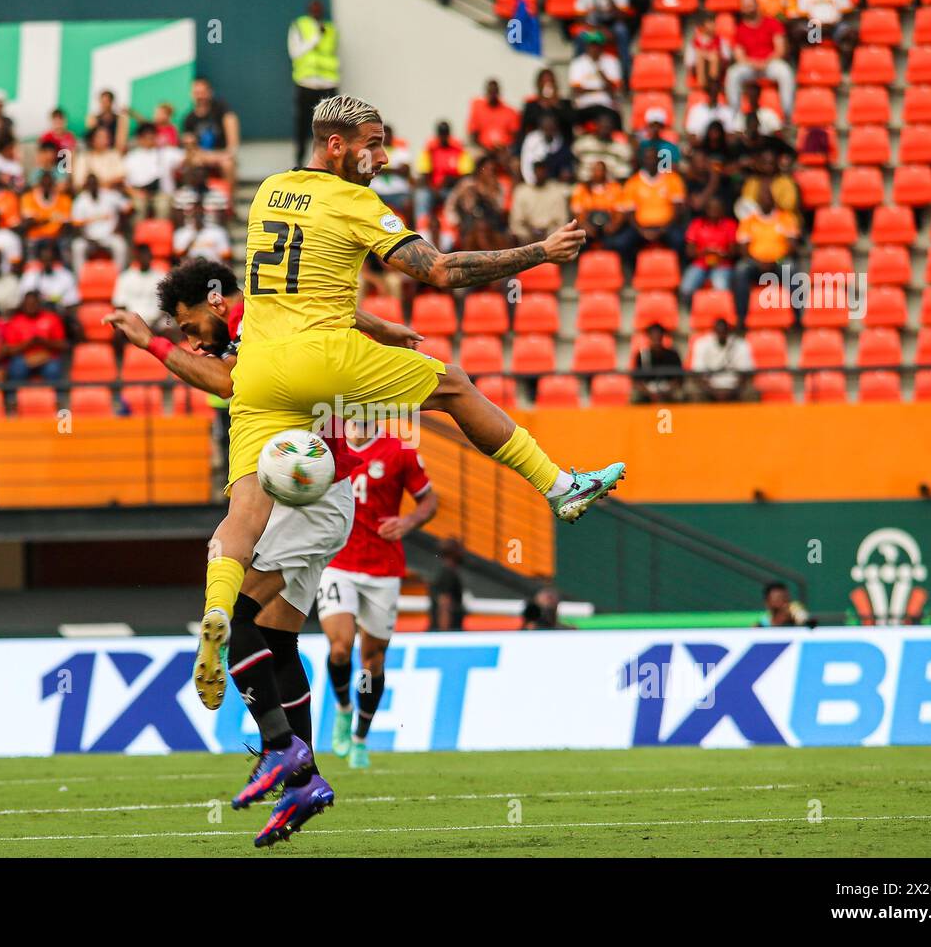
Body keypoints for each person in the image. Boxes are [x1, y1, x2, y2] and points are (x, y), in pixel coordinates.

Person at [175, 95, 624, 771]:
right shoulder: (354, 204)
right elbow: (441, 271)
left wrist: (374, 323)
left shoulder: (272, 190)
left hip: (260, 370)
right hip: (322, 357)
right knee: (454, 385)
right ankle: (558, 486)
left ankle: (215, 610)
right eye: (372, 143)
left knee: (246, 504)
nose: (382, 157)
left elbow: (310, 279)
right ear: (335, 147)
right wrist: (539, 252)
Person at [104, 258, 396, 844]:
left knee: (233, 611)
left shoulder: (252, 319)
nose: (189, 339)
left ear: (215, 304)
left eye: (188, 325)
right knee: (278, 636)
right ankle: (304, 782)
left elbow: (229, 382)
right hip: (318, 493)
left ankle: (281, 748)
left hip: (308, 493)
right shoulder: (264, 317)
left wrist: (152, 344)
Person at [318, 419, 439, 769]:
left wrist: (409, 522)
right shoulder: (326, 443)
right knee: (340, 647)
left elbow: (428, 500)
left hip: (383, 570)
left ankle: (360, 737)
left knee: (373, 661)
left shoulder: (399, 452)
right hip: (338, 562)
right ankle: (342, 710)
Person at [610, 144, 687, 267]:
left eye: (653, 158)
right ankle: (635, 270)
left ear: (659, 160)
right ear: (642, 160)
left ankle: (678, 271)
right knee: (621, 243)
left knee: (680, 240)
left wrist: (663, 230)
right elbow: (629, 213)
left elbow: (678, 210)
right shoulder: (633, 182)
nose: (650, 161)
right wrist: (642, 231)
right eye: (647, 158)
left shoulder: (672, 179)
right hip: (641, 228)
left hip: (666, 227)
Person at [733, 183, 800, 324]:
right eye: (762, 198)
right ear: (757, 202)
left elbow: (792, 246)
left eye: (768, 198)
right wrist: (759, 262)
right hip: (755, 263)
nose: (766, 201)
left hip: (778, 262)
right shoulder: (748, 221)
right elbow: (743, 249)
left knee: (791, 267)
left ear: (774, 200)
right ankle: (741, 317)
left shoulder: (786, 218)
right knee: (741, 269)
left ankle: (797, 316)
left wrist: (775, 260)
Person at [725, 0, 795, 117]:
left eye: (750, 4)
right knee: (732, 74)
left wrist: (766, 62)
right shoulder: (739, 30)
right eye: (745, 5)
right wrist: (754, 63)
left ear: (757, 5)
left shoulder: (772, 23)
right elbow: (739, 56)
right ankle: (733, 115)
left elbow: (780, 49)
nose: (748, 8)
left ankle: (787, 114)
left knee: (785, 72)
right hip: (750, 65)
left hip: (770, 63)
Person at [289, 0, 339, 166]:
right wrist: (316, 36)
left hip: (328, 83)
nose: (317, 11)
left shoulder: (331, 29)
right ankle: (300, 161)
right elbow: (295, 52)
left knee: (331, 125)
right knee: (303, 125)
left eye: (320, 9)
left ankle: (330, 161)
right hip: (307, 83)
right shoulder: (299, 26)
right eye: (314, 8)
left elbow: (333, 52)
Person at [181, 77, 240, 188]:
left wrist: (224, 154)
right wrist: (207, 157)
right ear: (192, 95)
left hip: (222, 155)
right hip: (201, 156)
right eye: (197, 93)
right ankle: (193, 199)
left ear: (209, 92)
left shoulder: (223, 110)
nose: (200, 96)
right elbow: (189, 149)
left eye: (203, 92)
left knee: (228, 164)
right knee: (191, 163)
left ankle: (229, 201)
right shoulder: (188, 119)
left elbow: (232, 147)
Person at [444, 155, 511, 251]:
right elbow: (451, 204)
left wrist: (488, 194)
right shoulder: (467, 184)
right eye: (487, 169)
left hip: (492, 226)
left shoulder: (498, 187)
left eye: (492, 170)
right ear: (480, 170)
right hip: (469, 224)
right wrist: (456, 221)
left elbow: (500, 209)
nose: (490, 173)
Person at [681, 195, 737, 304]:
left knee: (721, 289)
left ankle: (720, 316)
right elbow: (689, 251)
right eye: (711, 208)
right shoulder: (696, 224)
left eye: (717, 208)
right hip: (700, 263)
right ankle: (691, 313)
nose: (714, 211)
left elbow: (733, 252)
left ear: (722, 210)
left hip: (722, 265)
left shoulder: (730, 224)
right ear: (706, 209)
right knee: (686, 288)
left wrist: (721, 253)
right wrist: (705, 252)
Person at [123, 123, 185, 221]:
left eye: (153, 136)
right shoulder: (131, 157)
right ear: (139, 139)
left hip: (162, 193)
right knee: (139, 207)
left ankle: (161, 235)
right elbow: (125, 184)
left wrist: (190, 145)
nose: (150, 140)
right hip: (139, 193)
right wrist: (135, 193)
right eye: (146, 137)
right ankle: (138, 235)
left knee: (163, 206)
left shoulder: (166, 152)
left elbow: (186, 158)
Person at [70, 173, 130, 270]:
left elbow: (128, 208)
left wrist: (119, 225)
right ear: (86, 186)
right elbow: (76, 224)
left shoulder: (109, 195)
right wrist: (86, 238)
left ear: (98, 184)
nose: (93, 186)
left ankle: (118, 278)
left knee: (120, 245)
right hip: (89, 239)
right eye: (90, 184)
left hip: (109, 236)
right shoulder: (80, 200)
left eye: (94, 183)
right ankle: (81, 279)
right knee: (77, 246)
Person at [4, 291, 66, 383]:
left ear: (39, 304)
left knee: (53, 369)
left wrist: (43, 342)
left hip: (47, 357)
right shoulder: (15, 322)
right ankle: (14, 397)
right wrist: (29, 344)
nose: (31, 306)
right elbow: (10, 350)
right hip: (23, 358)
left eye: (34, 303)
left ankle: (57, 397)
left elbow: (62, 345)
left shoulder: (52, 318)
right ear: (23, 305)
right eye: (28, 304)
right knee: (17, 368)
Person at [690, 317, 757, 402]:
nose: (721, 334)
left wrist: (734, 390)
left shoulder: (741, 345)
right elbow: (698, 373)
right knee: (693, 392)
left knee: (751, 393)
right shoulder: (701, 344)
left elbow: (745, 373)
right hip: (709, 388)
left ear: (728, 332)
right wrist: (712, 391)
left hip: (735, 388)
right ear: (714, 332)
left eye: (724, 332)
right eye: (718, 332)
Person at [567, 31, 622, 132]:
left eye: (597, 45)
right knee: (571, 116)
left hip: (606, 105)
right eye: (591, 45)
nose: (594, 48)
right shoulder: (578, 63)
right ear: (587, 46)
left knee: (614, 116)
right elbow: (577, 90)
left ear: (602, 46)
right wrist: (602, 89)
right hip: (585, 106)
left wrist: (600, 71)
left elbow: (613, 91)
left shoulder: (612, 62)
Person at [511, 159, 571, 245]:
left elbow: (562, 220)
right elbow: (516, 221)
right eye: (538, 170)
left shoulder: (557, 191)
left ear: (547, 172)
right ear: (534, 172)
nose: (540, 173)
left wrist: (546, 232)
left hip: (550, 234)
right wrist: (530, 231)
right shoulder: (522, 191)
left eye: (542, 170)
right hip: (526, 236)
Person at [570, 160, 626, 247]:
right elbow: (577, 212)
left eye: (600, 170)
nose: (598, 173)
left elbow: (620, 211)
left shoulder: (615, 188)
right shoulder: (582, 188)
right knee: (578, 242)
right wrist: (585, 226)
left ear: (605, 172)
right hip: (588, 227)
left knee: (620, 243)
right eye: (595, 170)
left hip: (609, 226)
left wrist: (614, 225)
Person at [19, 170, 72, 256]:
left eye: (49, 183)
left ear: (53, 184)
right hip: (35, 237)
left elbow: (66, 224)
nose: (47, 186)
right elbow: (28, 223)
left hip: (57, 238)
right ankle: (32, 267)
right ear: (39, 184)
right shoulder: (28, 198)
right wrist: (51, 219)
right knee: (30, 244)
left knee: (65, 243)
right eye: (44, 183)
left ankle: (66, 268)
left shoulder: (64, 200)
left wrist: (42, 219)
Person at [630, 322, 684, 403]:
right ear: (649, 336)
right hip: (648, 389)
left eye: (658, 335)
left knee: (680, 395)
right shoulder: (642, 355)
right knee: (635, 396)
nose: (656, 338)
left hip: (668, 388)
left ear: (662, 336)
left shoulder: (672, 354)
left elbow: (679, 378)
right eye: (653, 335)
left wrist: (667, 390)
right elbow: (637, 380)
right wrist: (649, 393)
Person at [20, 242, 80, 313]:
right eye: (44, 259)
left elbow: (72, 302)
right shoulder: (30, 276)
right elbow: (25, 301)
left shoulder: (66, 276)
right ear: (39, 259)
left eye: (50, 259)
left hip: (59, 315)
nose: (47, 263)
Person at [466, 79, 520, 157]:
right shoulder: (478, 109)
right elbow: (473, 135)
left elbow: (515, 137)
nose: (492, 94)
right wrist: (485, 148)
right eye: (490, 91)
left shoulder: (509, 112)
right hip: (483, 149)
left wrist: (505, 148)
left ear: (498, 92)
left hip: (504, 150)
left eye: (494, 92)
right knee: (473, 155)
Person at [112, 244, 164, 324]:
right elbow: (119, 304)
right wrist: (129, 321)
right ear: (136, 257)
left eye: (146, 254)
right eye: (142, 255)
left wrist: (156, 322)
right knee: (119, 332)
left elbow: (166, 305)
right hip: (132, 321)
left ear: (151, 256)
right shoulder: (125, 277)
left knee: (171, 331)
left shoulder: (161, 277)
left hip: (157, 322)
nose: (144, 257)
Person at [573, 114, 633, 181]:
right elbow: (573, 164)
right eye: (602, 126)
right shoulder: (582, 143)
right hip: (585, 185)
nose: (605, 130)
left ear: (612, 128)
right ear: (596, 126)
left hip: (611, 187)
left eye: (607, 127)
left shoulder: (621, 148)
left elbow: (625, 172)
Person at [429, 538, 466, 631]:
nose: (463, 553)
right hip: (448, 630)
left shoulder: (443, 572)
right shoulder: (448, 574)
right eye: (460, 550)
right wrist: (444, 635)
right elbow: (444, 604)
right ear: (452, 553)